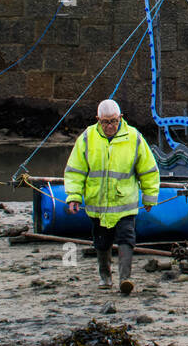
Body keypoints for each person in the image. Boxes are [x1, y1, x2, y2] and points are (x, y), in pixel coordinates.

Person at [65, 99, 161, 294]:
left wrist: (150, 196)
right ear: (98, 120)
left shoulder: (134, 138)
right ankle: (105, 276)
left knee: (127, 237)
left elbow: (148, 170)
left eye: (114, 121)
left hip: (125, 202)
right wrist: (73, 196)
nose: (110, 126)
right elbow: (75, 170)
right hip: (97, 203)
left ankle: (125, 278)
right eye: (105, 122)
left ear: (121, 118)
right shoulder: (87, 138)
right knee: (102, 241)